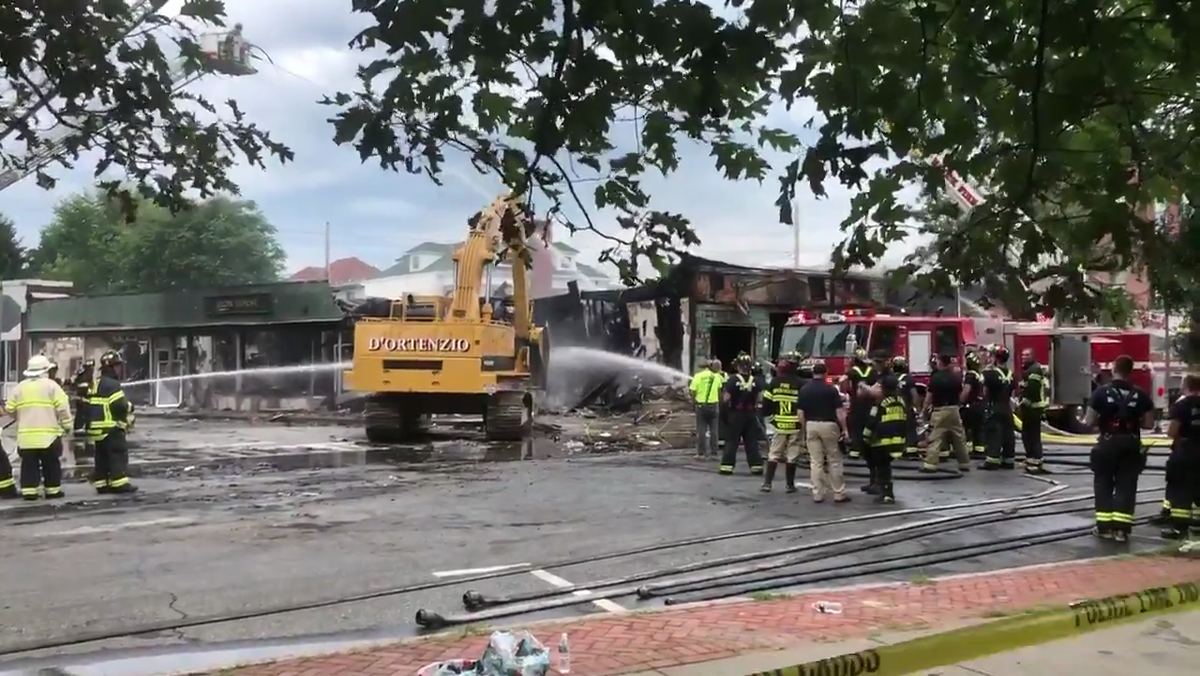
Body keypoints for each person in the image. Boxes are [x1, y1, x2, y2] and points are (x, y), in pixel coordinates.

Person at [1085, 355, 1153, 542]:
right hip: (1131, 444)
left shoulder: (1100, 393)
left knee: (1103, 483)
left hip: (1107, 443)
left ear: (1114, 369)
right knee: (1126, 485)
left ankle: (1104, 528)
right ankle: (1121, 531)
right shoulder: (1141, 395)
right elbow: (1148, 424)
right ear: (1131, 372)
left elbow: (1089, 421)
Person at [4, 355, 74, 500]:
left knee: (29, 465)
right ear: (45, 370)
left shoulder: (19, 388)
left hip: (26, 438)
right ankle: (52, 491)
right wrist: (67, 425)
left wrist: (21, 416)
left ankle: (29, 492)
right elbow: (63, 408)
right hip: (49, 437)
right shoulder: (52, 386)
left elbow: (9, 409)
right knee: (51, 464)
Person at [85, 350, 138, 494]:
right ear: (111, 367)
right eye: (118, 366)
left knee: (101, 457)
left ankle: (102, 484)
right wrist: (130, 407)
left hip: (96, 429)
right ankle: (119, 483)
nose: (120, 369)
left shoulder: (96, 383)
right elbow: (118, 405)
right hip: (110, 428)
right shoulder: (113, 384)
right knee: (118, 454)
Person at [799, 362, 850, 503]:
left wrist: (804, 429)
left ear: (813, 373)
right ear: (825, 373)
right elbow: (839, 412)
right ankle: (839, 493)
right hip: (829, 425)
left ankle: (818, 493)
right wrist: (845, 429)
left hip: (811, 425)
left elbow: (800, 413)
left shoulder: (804, 390)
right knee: (834, 460)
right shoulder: (831, 390)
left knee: (816, 461)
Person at [1161, 374, 1200, 539]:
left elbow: (1172, 431)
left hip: (1185, 451)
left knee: (1180, 490)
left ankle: (1179, 528)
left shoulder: (1182, 405)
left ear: (1186, 387)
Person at [761, 352, 804, 493]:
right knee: (792, 455)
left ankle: (767, 483)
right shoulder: (801, 384)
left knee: (774, 453)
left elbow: (766, 404)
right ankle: (790, 485)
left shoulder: (775, 382)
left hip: (779, 425)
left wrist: (771, 420)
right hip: (795, 425)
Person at [862, 372, 907, 504]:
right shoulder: (901, 402)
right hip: (897, 441)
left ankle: (887, 494)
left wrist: (865, 438)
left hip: (881, 441)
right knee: (886, 467)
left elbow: (872, 422)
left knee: (882, 469)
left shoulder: (880, 403)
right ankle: (887, 492)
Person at [922, 353, 971, 473]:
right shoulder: (955, 378)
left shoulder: (935, 378)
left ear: (940, 362)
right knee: (959, 437)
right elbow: (960, 393)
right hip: (954, 410)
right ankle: (964, 463)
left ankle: (930, 464)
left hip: (940, 411)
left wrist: (924, 410)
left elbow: (929, 397)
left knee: (935, 437)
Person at [719, 353, 764, 476]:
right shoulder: (756, 381)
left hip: (736, 415)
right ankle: (756, 466)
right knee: (752, 441)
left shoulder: (732, 380)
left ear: (738, 366)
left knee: (732, 441)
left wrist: (724, 416)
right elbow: (760, 399)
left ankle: (727, 466)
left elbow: (725, 399)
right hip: (751, 415)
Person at [980, 346, 1017, 470]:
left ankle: (992, 460)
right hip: (1007, 408)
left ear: (995, 358)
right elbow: (1013, 392)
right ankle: (1008, 460)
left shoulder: (989, 374)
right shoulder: (1011, 375)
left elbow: (984, 392)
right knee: (1008, 434)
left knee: (994, 433)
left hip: (994, 407)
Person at [1017, 348, 1049, 474]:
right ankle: (1030, 459)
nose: (1024, 357)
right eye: (1023, 355)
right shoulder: (1029, 369)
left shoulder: (1035, 369)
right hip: (1030, 408)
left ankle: (1036, 460)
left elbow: (1033, 389)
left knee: (1033, 436)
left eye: (1027, 355)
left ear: (1033, 356)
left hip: (1034, 408)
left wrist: (1024, 401)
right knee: (1027, 435)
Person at [846, 348, 878, 460]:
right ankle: (868, 450)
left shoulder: (852, 371)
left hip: (856, 404)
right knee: (869, 426)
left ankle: (855, 450)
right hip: (870, 403)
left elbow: (842, 381)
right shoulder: (872, 371)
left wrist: (848, 391)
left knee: (856, 426)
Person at [689, 359, 724, 459]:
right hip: (714, 405)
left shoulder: (698, 376)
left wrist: (694, 403)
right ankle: (714, 453)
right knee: (714, 430)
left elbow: (692, 391)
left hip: (701, 406)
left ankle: (701, 453)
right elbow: (719, 392)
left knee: (701, 430)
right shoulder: (717, 377)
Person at [891, 355, 921, 459]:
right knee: (910, 429)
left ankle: (896, 450)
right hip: (906, 409)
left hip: (891, 410)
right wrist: (918, 410)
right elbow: (914, 396)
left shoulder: (890, 379)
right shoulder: (909, 379)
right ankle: (911, 450)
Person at [961, 351, 986, 456]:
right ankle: (979, 449)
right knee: (979, 428)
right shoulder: (980, 375)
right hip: (981, 405)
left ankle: (968, 449)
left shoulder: (970, 375)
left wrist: (960, 401)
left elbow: (966, 390)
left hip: (971, 406)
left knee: (967, 428)